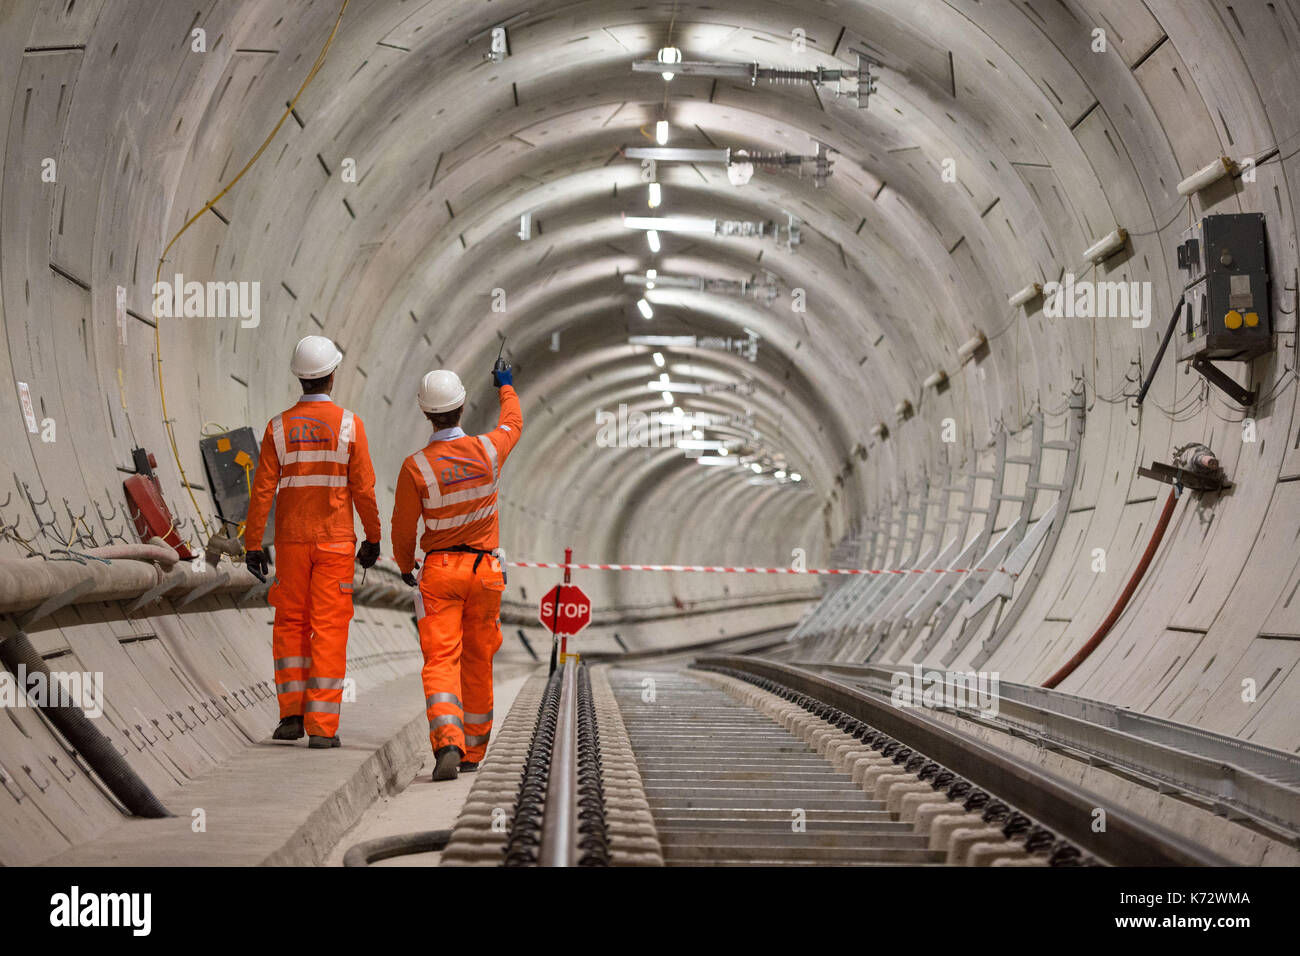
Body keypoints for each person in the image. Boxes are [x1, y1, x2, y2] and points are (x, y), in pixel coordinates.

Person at [244, 335, 382, 749]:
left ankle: (290, 717)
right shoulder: (348, 425)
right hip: (336, 543)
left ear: (299, 378)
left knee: (290, 626)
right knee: (328, 630)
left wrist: (253, 543)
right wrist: (373, 538)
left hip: (290, 543)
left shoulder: (278, 427)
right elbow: (365, 489)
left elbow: (262, 491)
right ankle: (322, 727)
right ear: (332, 375)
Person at [390, 359, 521, 780]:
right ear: (462, 407)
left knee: (441, 659)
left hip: (440, 572)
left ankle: (448, 739)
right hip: (485, 572)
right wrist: (506, 386)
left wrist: (403, 562)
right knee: (479, 658)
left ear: (426, 413)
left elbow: (403, 524)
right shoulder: (488, 449)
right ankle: (474, 749)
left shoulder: (416, 466)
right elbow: (514, 424)